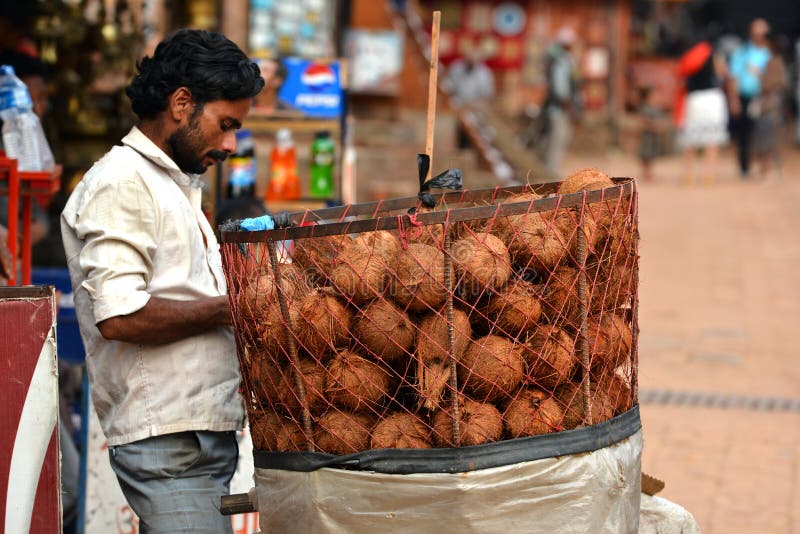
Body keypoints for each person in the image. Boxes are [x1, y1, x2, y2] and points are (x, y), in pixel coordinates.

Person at [60, 29, 264, 533]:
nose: (231, 144)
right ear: (181, 103)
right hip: (168, 445)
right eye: (226, 124)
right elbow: (119, 315)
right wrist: (228, 307)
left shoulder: (173, 185)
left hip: (194, 437)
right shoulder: (123, 183)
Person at [674, 40, 729, 186]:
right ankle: (708, 176)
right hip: (712, 99)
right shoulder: (713, 54)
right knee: (711, 140)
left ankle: (688, 176)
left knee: (690, 140)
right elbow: (722, 72)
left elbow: (681, 79)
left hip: (693, 100)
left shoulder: (689, 58)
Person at [728, 18, 771, 178]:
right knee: (744, 134)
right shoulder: (743, 52)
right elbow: (733, 76)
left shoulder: (770, 53)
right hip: (745, 97)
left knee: (763, 132)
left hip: (764, 99)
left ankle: (765, 166)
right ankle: (744, 167)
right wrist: (734, 99)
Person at [539, 27, 580, 178]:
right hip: (558, 109)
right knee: (555, 144)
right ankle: (550, 179)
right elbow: (561, 89)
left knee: (554, 143)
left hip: (557, 108)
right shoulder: (560, 60)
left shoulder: (559, 58)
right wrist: (569, 106)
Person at [752, 33, 787, 180]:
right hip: (774, 105)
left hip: (769, 105)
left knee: (766, 137)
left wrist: (758, 75)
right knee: (771, 137)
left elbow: (770, 83)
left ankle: (769, 170)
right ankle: (771, 170)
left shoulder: (772, 62)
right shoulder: (778, 61)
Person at [444, 48, 495, 148]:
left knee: (475, 136)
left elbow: (487, 96)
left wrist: (473, 106)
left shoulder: (484, 74)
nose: (471, 63)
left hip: (475, 109)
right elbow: (447, 87)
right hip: (457, 107)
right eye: (469, 60)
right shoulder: (456, 68)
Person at [637, 86, 664, 182]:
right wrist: (653, 126)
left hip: (654, 136)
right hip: (647, 135)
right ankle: (645, 171)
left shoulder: (657, 108)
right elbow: (643, 121)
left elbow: (660, 120)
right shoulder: (645, 108)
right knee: (646, 154)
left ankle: (649, 171)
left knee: (652, 154)